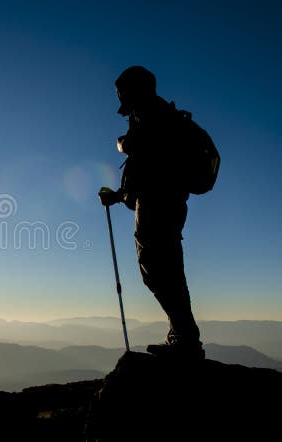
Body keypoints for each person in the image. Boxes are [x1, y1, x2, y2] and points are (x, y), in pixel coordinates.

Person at [99, 66, 204, 359]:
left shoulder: (152, 118)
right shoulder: (155, 116)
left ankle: (185, 340)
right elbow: (149, 172)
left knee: (158, 268)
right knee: (164, 268)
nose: (120, 100)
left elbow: (146, 166)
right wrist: (120, 195)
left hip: (159, 204)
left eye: (122, 93)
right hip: (166, 202)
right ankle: (182, 336)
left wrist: (122, 144)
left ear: (134, 90)